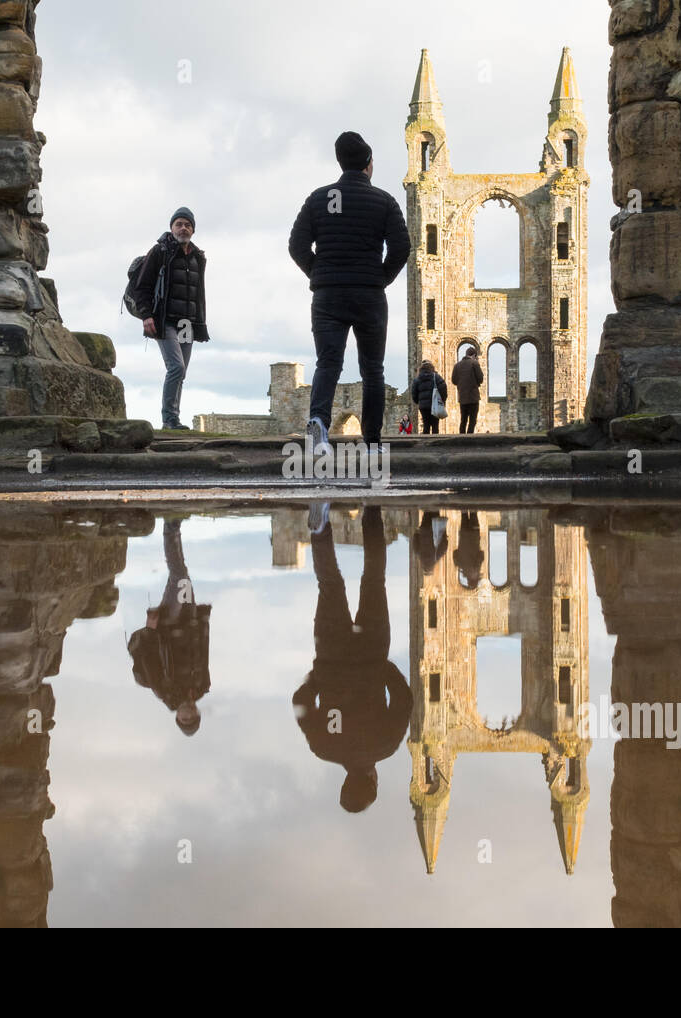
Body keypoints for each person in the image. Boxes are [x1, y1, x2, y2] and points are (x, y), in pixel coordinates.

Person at [289, 131, 410, 454]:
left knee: (328, 362)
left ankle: (318, 421)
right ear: (369, 165)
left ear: (340, 163)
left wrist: (318, 272)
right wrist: (381, 277)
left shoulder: (318, 198)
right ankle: (371, 439)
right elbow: (401, 247)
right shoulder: (384, 201)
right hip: (369, 293)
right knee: (373, 367)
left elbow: (296, 245)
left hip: (328, 295)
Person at [292, 505, 410, 813]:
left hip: (372, 654)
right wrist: (319, 676)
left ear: (373, 781)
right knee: (329, 584)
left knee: (374, 579)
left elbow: (403, 700)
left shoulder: (386, 745)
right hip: (331, 657)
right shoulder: (323, 747)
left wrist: (383, 669)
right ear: (344, 783)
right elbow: (301, 702)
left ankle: (373, 509)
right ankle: (320, 531)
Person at [127, 518, 212, 735]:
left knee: (181, 577)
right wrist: (204, 622)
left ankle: (171, 527)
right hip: (190, 622)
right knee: (181, 577)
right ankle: (173, 530)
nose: (188, 714)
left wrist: (150, 629)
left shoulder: (164, 691)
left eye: (185, 719)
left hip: (169, 624)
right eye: (192, 717)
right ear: (198, 714)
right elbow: (204, 654)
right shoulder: (201, 688)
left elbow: (148, 657)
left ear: (178, 716)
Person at [132, 208, 210, 430]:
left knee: (181, 371)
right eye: (179, 224)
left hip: (188, 323)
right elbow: (143, 286)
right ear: (171, 227)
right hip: (164, 320)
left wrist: (200, 322)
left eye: (187, 224)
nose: (183, 228)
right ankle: (169, 419)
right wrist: (146, 316)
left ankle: (173, 417)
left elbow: (199, 293)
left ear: (193, 230)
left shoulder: (198, 257)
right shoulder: (160, 251)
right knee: (176, 367)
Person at [451, 347, 483, 434]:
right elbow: (480, 378)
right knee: (472, 419)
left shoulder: (457, 365)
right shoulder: (474, 363)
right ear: (473, 355)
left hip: (462, 396)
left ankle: (461, 437)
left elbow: (454, 380)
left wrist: (461, 385)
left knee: (463, 419)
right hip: (473, 396)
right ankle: (469, 437)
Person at [410, 360, 447, 434]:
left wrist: (418, 401)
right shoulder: (436, 377)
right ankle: (435, 444)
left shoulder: (417, 379)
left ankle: (425, 443)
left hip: (423, 406)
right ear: (432, 368)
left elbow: (414, 393)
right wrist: (442, 401)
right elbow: (443, 388)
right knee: (435, 425)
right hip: (435, 404)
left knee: (426, 425)